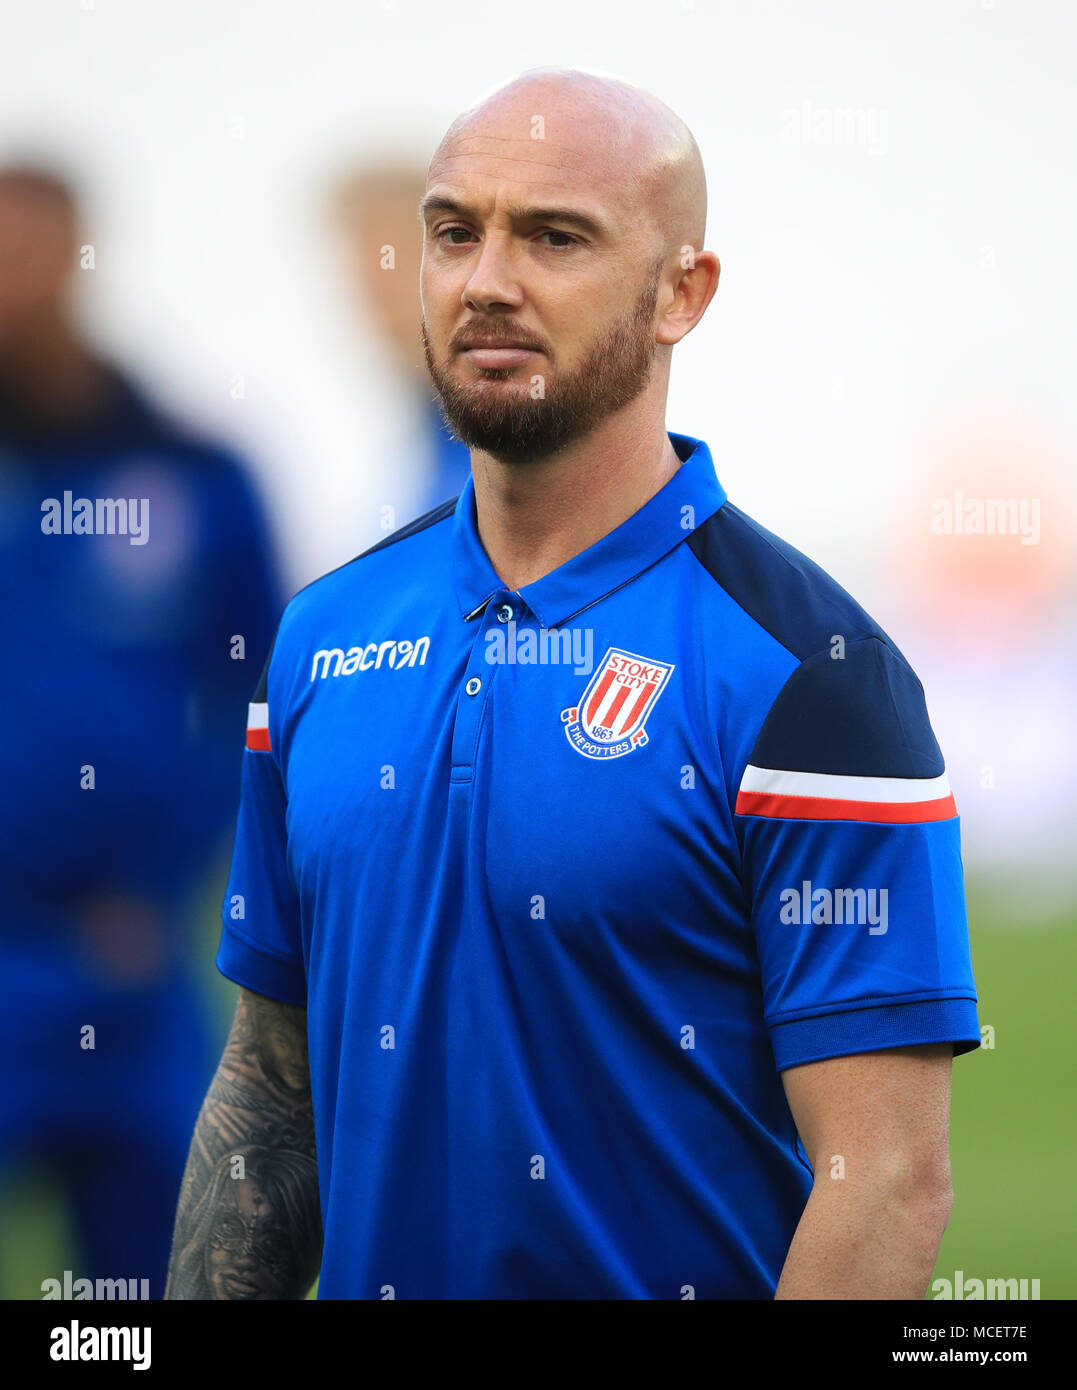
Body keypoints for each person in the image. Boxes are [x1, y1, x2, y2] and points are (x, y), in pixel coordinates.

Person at [168, 68, 980, 1300]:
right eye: (455, 233)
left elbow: (886, 1185)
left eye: (554, 237)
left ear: (680, 294)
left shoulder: (810, 678)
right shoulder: (321, 638)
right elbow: (271, 1094)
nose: (487, 279)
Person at [0, 163, 284, 1298]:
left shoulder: (191, 471)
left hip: (123, 957)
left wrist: (165, 873)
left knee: (151, 1285)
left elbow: (262, 698)